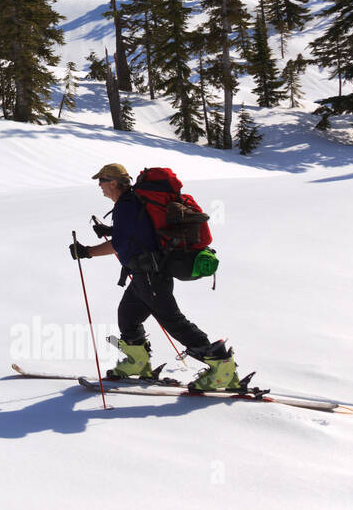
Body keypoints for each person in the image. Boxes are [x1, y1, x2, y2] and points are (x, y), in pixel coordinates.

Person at [68, 163, 241, 391]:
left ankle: (222, 368)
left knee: (173, 321)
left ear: (112, 182)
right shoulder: (133, 203)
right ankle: (136, 362)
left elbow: (120, 245)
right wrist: (112, 231)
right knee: (128, 316)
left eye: (101, 181)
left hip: (150, 274)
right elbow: (140, 234)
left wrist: (87, 252)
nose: (99, 187)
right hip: (145, 274)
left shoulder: (127, 205)